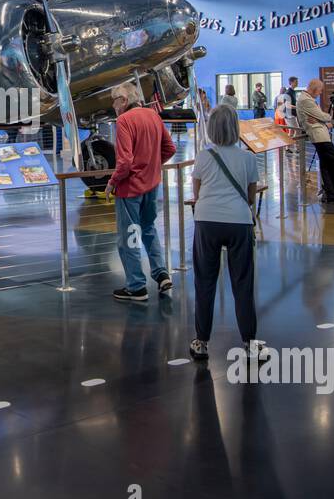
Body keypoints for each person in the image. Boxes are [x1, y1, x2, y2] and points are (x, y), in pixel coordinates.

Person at [188, 104, 266, 362]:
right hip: (239, 222)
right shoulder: (248, 158)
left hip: (207, 221)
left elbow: (197, 193)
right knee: (243, 282)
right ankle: (249, 342)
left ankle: (201, 341)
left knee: (204, 281)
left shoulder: (202, 156)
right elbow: (251, 196)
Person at [107, 81, 176, 302]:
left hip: (130, 189)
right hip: (152, 185)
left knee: (129, 237)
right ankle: (161, 273)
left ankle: (136, 286)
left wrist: (112, 182)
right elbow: (170, 148)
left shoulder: (124, 120)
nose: (113, 106)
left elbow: (125, 161)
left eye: (115, 101)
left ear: (124, 100)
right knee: (148, 228)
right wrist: (152, 165)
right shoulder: (153, 114)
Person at [295, 79, 334, 205]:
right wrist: (326, 119)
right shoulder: (305, 99)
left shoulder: (306, 98)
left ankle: (330, 194)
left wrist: (319, 119)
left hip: (320, 134)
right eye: (320, 90)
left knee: (326, 165)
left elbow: (319, 117)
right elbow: (323, 116)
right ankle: (330, 191)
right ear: (313, 89)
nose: (321, 92)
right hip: (318, 136)